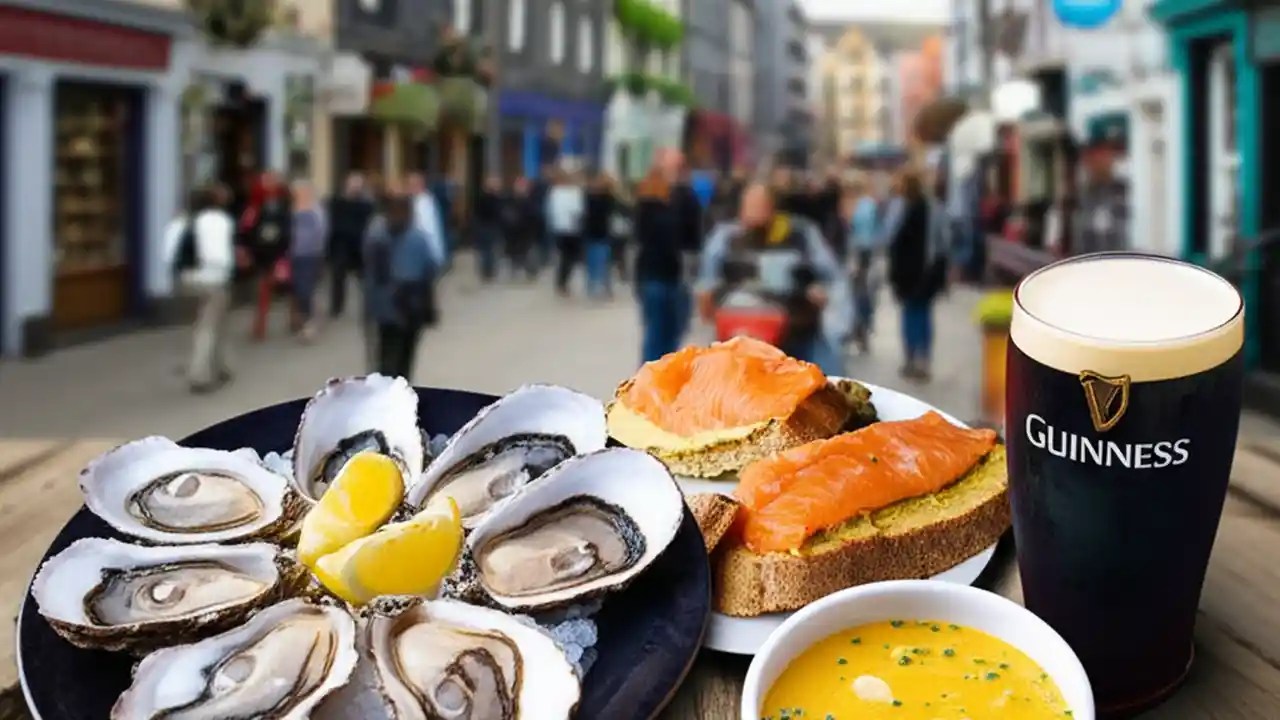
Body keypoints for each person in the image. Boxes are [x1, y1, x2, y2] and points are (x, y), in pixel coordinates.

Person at [697, 183, 851, 376]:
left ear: (772, 207)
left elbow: (832, 277)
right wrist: (706, 297)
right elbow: (707, 281)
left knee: (826, 373)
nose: (754, 211)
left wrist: (822, 295)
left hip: (795, 329)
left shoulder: (801, 234)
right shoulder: (725, 238)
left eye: (760, 205)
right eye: (749, 205)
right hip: (740, 331)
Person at [164, 184, 235, 393]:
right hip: (214, 277)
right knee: (209, 326)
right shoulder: (219, 221)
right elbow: (220, 255)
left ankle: (223, 366)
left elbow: (169, 253)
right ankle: (199, 374)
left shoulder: (185, 221)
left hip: (190, 278)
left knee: (216, 322)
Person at [363, 194, 437, 379]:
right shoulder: (418, 237)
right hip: (411, 303)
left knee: (386, 352)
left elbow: (370, 270)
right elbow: (430, 268)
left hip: (386, 305)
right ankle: (401, 387)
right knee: (406, 352)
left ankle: (385, 388)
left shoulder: (376, 235)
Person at [885, 171, 950, 381]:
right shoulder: (928, 208)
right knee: (918, 315)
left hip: (915, 273)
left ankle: (914, 360)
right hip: (920, 272)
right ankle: (919, 360)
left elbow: (890, 240)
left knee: (914, 315)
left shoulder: (904, 208)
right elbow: (942, 243)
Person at [632, 167, 689, 362]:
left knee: (665, 332)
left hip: (662, 276)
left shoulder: (661, 209)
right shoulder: (651, 211)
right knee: (659, 333)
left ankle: (658, 372)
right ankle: (653, 376)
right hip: (658, 277)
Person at [243, 170, 292, 341]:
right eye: (266, 180)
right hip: (263, 252)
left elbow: (288, 223)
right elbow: (247, 227)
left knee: (288, 287)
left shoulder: (284, 201)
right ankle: (260, 326)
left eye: (272, 180)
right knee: (264, 289)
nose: (269, 183)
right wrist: (247, 248)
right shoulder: (256, 203)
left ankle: (294, 319)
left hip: (281, 251)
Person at [326, 172, 374, 318]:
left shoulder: (366, 204)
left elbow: (370, 223)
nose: (355, 186)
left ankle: (370, 308)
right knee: (338, 277)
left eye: (358, 183)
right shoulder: (336, 202)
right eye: (353, 183)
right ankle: (336, 308)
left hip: (360, 246)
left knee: (365, 279)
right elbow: (330, 223)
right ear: (346, 184)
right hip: (341, 245)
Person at [847, 175, 882, 354]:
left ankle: (858, 330)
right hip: (867, 253)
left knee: (858, 294)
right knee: (864, 295)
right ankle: (862, 330)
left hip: (858, 253)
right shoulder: (870, 205)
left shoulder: (856, 206)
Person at [290, 180, 327, 341]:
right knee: (297, 289)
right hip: (293, 254)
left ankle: (311, 323)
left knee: (306, 288)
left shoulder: (316, 209)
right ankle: (300, 320)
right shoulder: (293, 208)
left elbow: (322, 232)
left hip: (310, 254)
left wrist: (319, 252)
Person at [546, 166, 586, 296]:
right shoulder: (564, 192)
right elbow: (579, 210)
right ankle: (562, 282)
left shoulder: (562, 192)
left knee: (567, 257)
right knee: (568, 257)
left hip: (567, 228)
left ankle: (562, 281)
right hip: (567, 229)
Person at [583, 172, 617, 299]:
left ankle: (600, 287)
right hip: (595, 233)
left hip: (601, 233)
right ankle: (596, 287)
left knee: (602, 261)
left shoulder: (605, 197)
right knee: (596, 261)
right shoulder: (589, 196)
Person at [501, 176, 540, 280]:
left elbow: (534, 216)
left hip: (527, 232)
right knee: (513, 253)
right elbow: (504, 213)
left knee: (528, 252)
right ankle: (514, 271)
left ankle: (531, 272)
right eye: (519, 186)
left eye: (523, 186)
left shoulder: (531, 200)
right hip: (512, 232)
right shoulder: (509, 198)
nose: (520, 188)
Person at [406, 172, 447, 269]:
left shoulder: (425, 202)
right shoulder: (415, 200)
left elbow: (428, 227)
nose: (409, 188)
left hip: (424, 248)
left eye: (411, 185)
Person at [474, 176, 504, 282]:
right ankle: (488, 271)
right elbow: (496, 212)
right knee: (488, 250)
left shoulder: (481, 197)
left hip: (484, 226)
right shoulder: (491, 198)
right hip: (488, 226)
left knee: (486, 250)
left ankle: (487, 271)